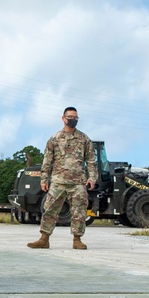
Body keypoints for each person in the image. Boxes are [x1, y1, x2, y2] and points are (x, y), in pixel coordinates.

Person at [26, 107, 98, 250]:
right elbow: (47, 161)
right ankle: (44, 239)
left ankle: (77, 240)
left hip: (78, 182)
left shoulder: (84, 139)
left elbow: (90, 161)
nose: (73, 120)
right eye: (70, 117)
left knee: (79, 211)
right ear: (63, 118)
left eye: (76, 118)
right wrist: (44, 180)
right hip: (58, 181)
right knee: (49, 209)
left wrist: (92, 178)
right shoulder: (55, 139)